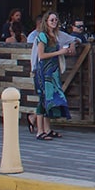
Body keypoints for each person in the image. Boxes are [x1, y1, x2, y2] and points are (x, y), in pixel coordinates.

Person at [32, 11, 74, 140]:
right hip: (44, 71)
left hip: (53, 71)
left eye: (56, 20)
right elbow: (41, 55)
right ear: (46, 22)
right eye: (52, 20)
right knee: (43, 99)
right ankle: (40, 130)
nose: (54, 22)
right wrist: (59, 52)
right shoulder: (42, 36)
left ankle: (47, 129)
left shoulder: (55, 36)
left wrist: (70, 46)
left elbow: (72, 39)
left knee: (50, 99)